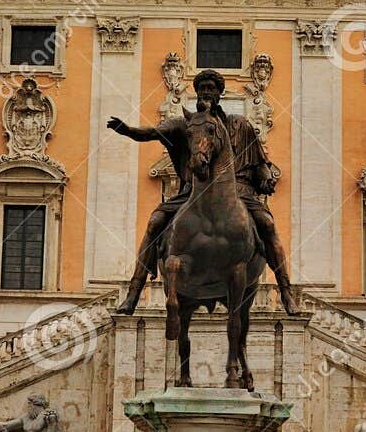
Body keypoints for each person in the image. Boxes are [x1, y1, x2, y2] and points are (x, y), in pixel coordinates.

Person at [107, 69, 298, 315]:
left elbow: (260, 164)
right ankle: (133, 294)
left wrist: (266, 177)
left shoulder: (241, 125)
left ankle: (286, 292)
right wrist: (129, 130)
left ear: (220, 93)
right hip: (191, 192)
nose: (206, 92)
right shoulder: (187, 124)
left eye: (211, 88)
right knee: (155, 222)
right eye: (202, 88)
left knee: (267, 225)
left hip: (240, 192)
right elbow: (154, 133)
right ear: (197, 93)